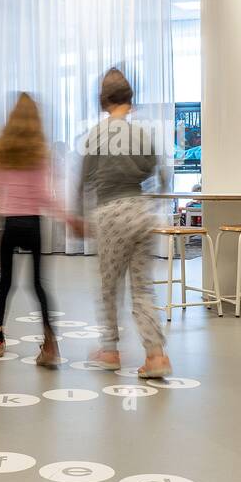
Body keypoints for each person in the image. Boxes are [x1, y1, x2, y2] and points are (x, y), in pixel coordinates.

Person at [71, 68, 172, 379]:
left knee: (108, 287)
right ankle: (155, 356)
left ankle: (110, 351)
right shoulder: (142, 133)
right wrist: (153, 201)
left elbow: (82, 182)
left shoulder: (96, 134)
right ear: (131, 100)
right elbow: (163, 175)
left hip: (111, 214)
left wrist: (77, 216)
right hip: (141, 212)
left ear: (103, 101)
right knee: (142, 288)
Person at [0, 93, 61, 366]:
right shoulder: (39, 153)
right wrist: (67, 217)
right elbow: (45, 195)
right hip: (32, 223)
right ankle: (50, 343)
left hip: (9, 223)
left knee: (6, 284)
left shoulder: (3, 151)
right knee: (37, 284)